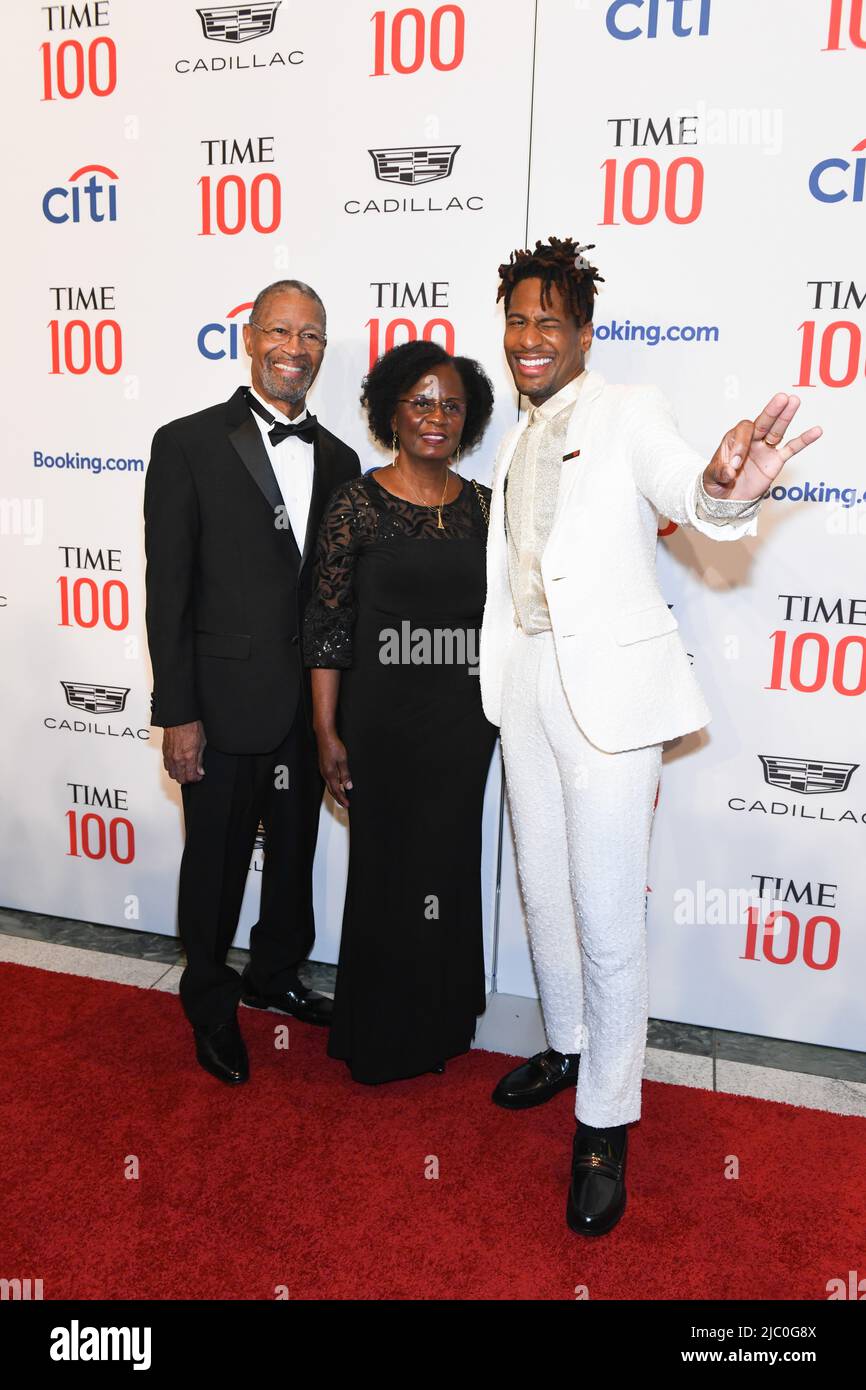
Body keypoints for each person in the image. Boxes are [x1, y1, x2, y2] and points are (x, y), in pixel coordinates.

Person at [479, 236, 823, 1235]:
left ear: (583, 331)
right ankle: (569, 1042)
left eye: (549, 319)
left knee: (601, 903)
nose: (530, 336)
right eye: (517, 318)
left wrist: (728, 482)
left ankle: (604, 1117)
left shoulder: (628, 412)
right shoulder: (513, 433)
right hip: (525, 682)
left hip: (609, 698)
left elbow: (691, 493)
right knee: (540, 891)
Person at [144, 279, 360, 1085]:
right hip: (221, 705)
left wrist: (338, 719)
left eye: (309, 336)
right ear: (249, 337)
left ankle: (274, 976)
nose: (293, 349)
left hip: (306, 710)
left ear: (322, 352)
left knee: (295, 856)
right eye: (279, 331)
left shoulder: (339, 458)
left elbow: (336, 598)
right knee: (215, 863)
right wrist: (180, 713)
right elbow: (168, 593)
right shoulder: (188, 443)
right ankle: (208, 1000)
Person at [303, 341, 497, 1084]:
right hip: (381, 720)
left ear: (468, 418)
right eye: (421, 401)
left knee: (448, 864)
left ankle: (444, 1017)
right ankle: (383, 1033)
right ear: (392, 410)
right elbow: (326, 623)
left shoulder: (484, 506)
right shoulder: (357, 502)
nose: (436, 416)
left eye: (450, 404)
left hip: (463, 722)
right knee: (386, 869)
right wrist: (326, 730)